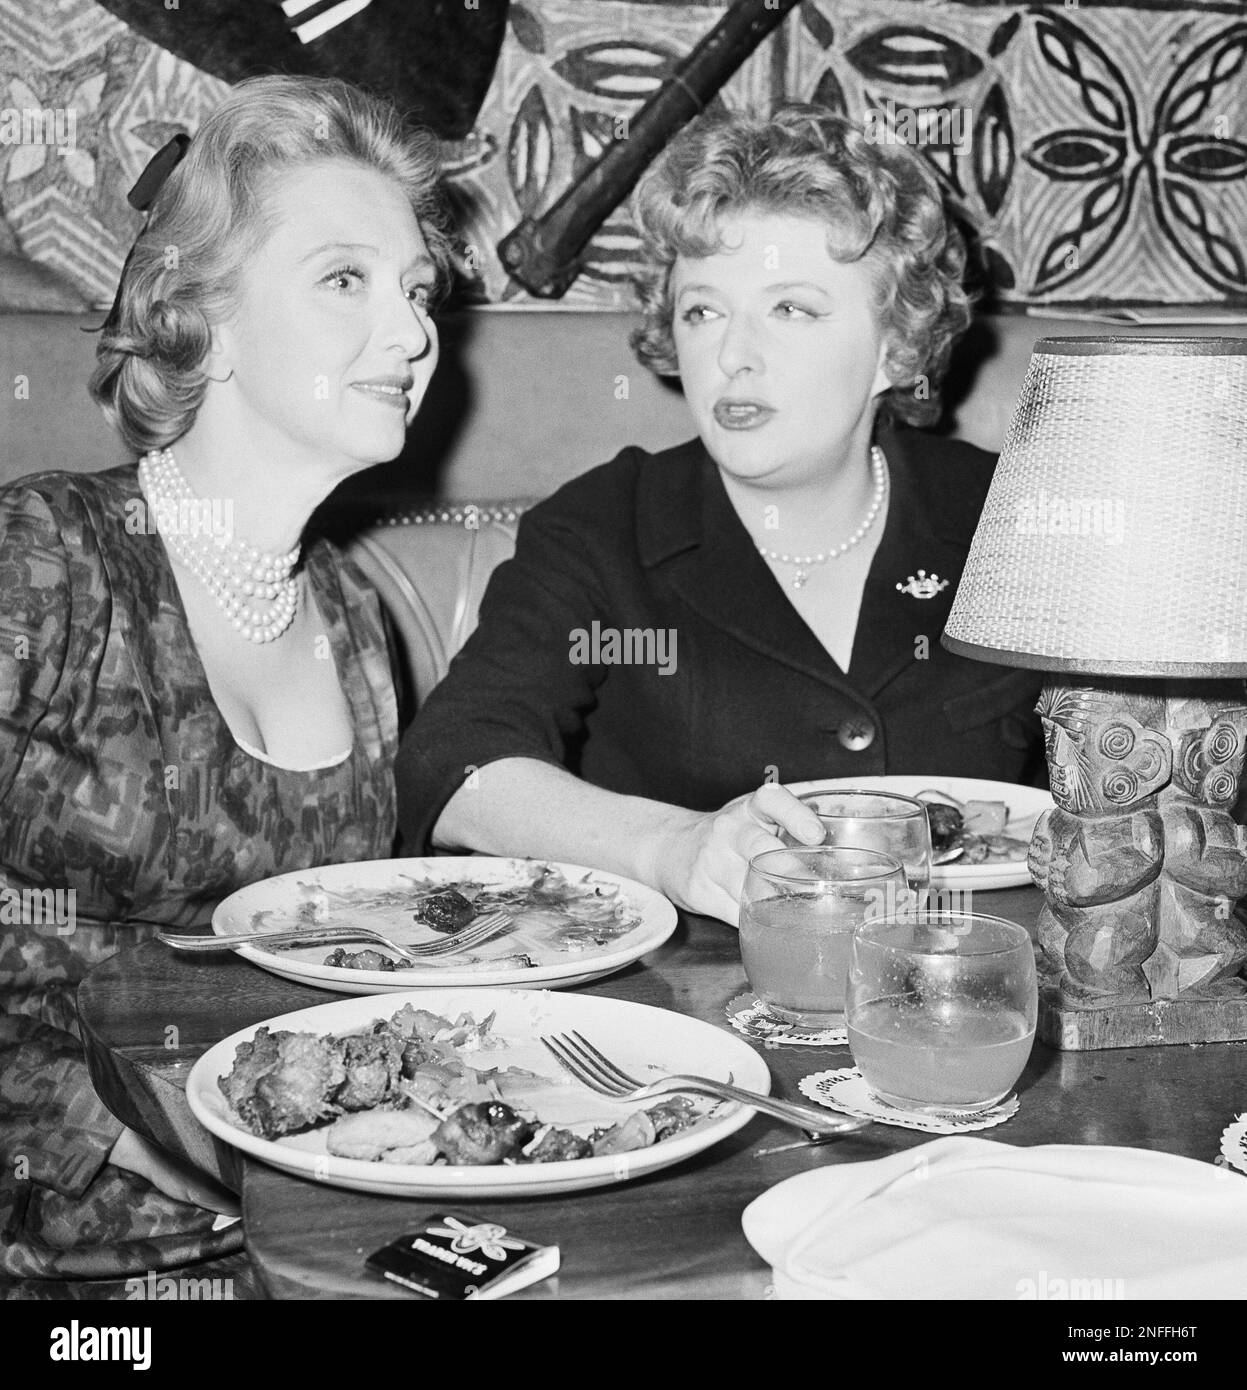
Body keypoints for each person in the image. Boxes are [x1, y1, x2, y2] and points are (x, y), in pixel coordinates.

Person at [0, 74, 449, 1296]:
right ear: (207, 317)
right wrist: (93, 1135)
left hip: (306, 1240)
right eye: (344, 279)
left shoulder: (356, 619)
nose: (411, 332)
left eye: (417, 292)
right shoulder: (46, 560)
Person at [396, 105, 1045, 926]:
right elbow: (451, 765)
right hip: (688, 1015)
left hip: (964, 998)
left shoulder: (1013, 518)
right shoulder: (604, 527)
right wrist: (671, 848)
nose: (731, 355)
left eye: (791, 309)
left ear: (895, 347)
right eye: (702, 311)